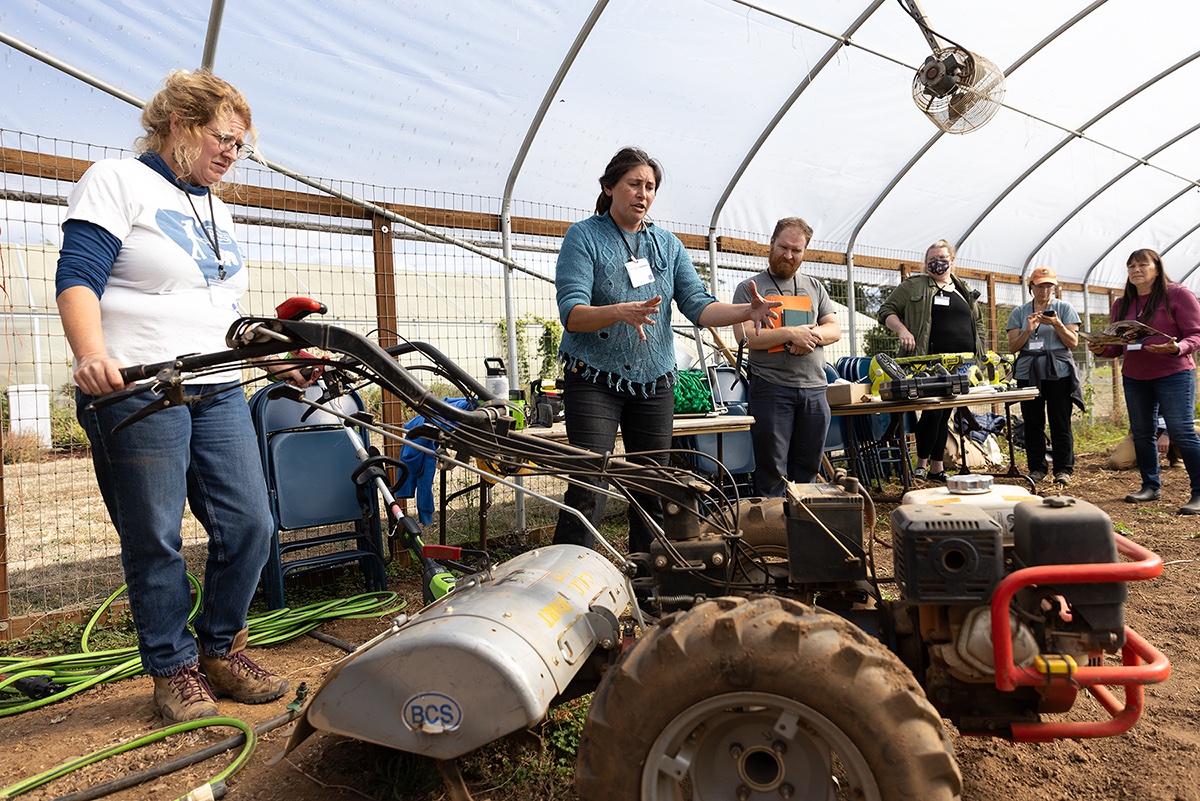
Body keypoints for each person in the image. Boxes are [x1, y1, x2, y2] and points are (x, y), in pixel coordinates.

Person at [55, 70, 298, 723]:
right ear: (179, 124)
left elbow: (218, 309)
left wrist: (274, 356)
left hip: (216, 388)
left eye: (241, 145)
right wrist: (91, 354)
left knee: (250, 523)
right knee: (155, 536)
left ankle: (220, 648)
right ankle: (172, 668)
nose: (233, 153)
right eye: (223, 138)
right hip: (139, 390)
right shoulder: (116, 181)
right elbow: (77, 276)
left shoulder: (214, 207)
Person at [553, 146, 780, 555]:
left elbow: (698, 304)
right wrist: (619, 311)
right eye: (634, 184)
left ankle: (649, 574)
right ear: (609, 187)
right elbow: (572, 314)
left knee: (653, 485)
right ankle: (568, 572)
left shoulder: (667, 245)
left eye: (650, 187)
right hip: (593, 377)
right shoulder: (583, 237)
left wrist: (747, 311)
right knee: (590, 482)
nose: (643, 194)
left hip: (654, 378)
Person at [732, 217, 840, 495]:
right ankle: (772, 520)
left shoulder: (815, 287)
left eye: (796, 250)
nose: (789, 255)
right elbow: (746, 336)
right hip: (772, 387)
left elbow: (834, 329)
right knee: (772, 470)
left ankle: (802, 518)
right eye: (784, 247)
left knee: (808, 467)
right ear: (771, 243)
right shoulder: (750, 288)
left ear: (805, 252)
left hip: (815, 389)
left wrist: (809, 336)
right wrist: (791, 333)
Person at [1087, 248, 1200, 514]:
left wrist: (1177, 348)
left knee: (1182, 431)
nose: (1136, 270)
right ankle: (1150, 486)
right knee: (1142, 432)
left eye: (1142, 265)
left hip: (1174, 374)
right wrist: (1101, 349)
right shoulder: (1122, 303)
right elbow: (1117, 347)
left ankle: (1198, 492)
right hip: (1135, 377)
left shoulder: (1178, 295)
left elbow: (1196, 334)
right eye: (1131, 266)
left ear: (1157, 268)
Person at [878, 239, 986, 481]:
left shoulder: (963, 289)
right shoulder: (914, 286)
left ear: (952, 261)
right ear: (925, 262)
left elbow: (977, 322)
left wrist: (979, 351)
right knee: (932, 412)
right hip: (929, 365)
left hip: (961, 366)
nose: (937, 263)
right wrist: (903, 330)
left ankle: (937, 469)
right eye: (932, 260)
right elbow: (886, 311)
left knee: (945, 413)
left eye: (942, 259)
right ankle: (921, 466)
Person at [1004, 266, 1083, 486]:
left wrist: (1057, 324)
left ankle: (1063, 469)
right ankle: (1037, 468)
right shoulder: (1019, 312)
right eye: (1040, 286)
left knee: (1060, 421)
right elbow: (1013, 347)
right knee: (1032, 422)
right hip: (1028, 372)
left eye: (1049, 286)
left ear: (1055, 288)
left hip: (1059, 372)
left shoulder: (1064, 309)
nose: (1045, 291)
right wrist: (1027, 330)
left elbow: (1073, 343)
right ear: (1031, 287)